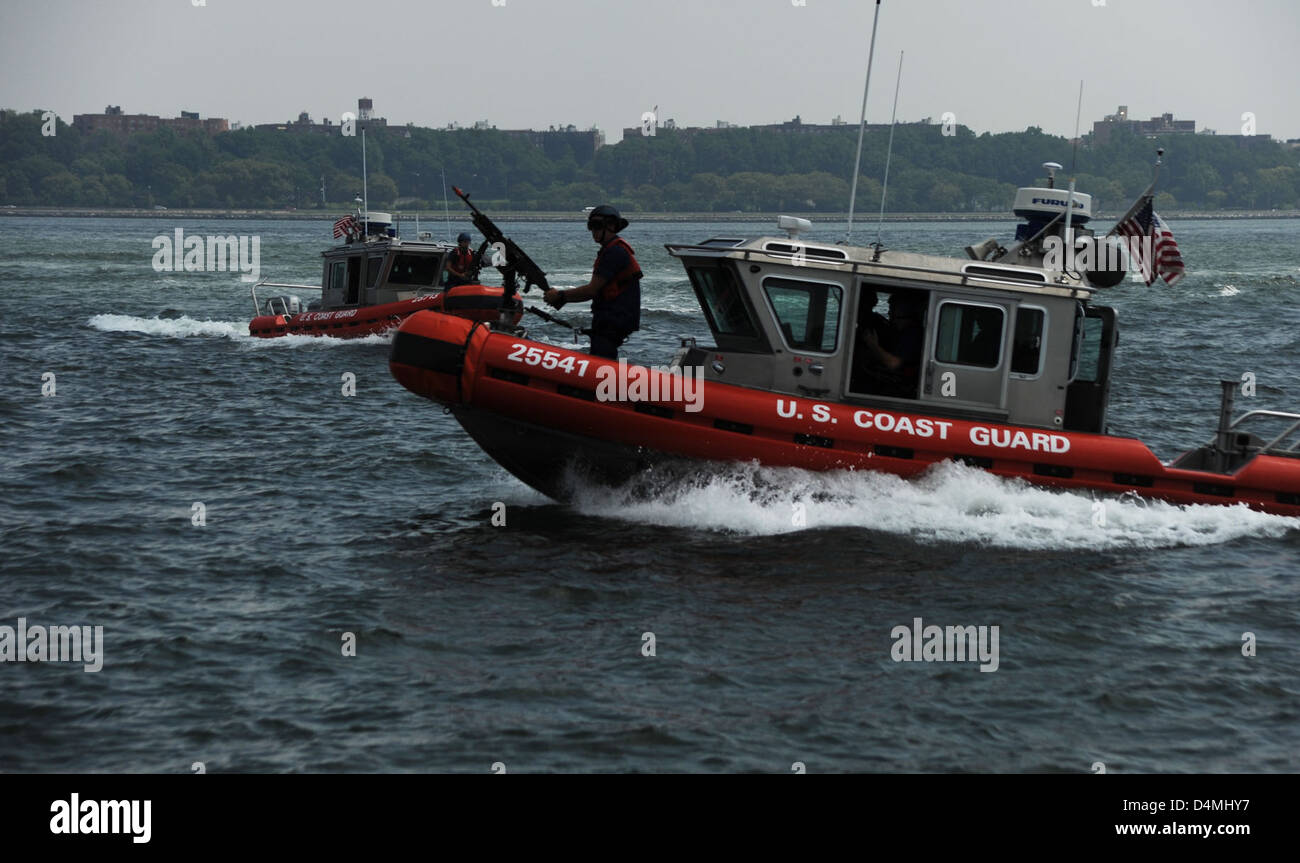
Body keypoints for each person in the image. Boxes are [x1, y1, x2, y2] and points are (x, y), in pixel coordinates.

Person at [543, 205, 642, 359]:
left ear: (611, 226)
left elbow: (591, 291)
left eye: (597, 226)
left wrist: (560, 295)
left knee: (602, 360)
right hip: (610, 319)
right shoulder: (611, 250)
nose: (593, 231)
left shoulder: (615, 252)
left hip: (613, 321)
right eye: (591, 226)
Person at [858, 290, 927, 398]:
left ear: (902, 311)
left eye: (892, 309)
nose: (889, 313)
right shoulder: (899, 331)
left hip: (901, 387)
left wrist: (873, 345)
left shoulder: (912, 334)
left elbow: (893, 363)